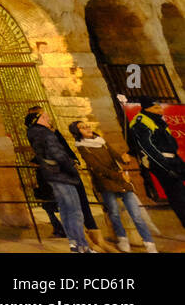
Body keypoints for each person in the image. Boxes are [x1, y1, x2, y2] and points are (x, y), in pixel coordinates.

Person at [70, 119, 157, 253]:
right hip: (106, 183)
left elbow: (114, 154)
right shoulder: (83, 146)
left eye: (87, 125)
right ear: (77, 132)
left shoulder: (101, 141)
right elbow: (97, 167)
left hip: (121, 181)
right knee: (114, 213)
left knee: (136, 214)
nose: (87, 128)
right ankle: (122, 239)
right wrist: (119, 176)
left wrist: (124, 159)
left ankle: (149, 243)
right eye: (82, 127)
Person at [26, 109, 90, 252]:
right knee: (74, 211)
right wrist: (71, 169)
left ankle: (74, 244)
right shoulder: (45, 133)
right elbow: (58, 154)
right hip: (62, 174)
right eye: (44, 116)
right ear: (38, 119)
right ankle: (82, 246)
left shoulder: (35, 133)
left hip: (52, 175)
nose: (48, 118)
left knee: (65, 210)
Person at [128, 101, 185, 227]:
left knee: (181, 193)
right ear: (147, 109)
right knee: (178, 197)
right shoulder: (140, 122)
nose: (160, 109)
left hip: (174, 160)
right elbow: (147, 147)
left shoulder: (158, 120)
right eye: (156, 107)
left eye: (160, 106)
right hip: (162, 163)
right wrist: (165, 166)